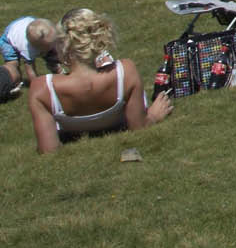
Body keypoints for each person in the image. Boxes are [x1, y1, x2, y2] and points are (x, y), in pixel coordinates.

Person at [27, 9, 173, 153]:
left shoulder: (42, 89)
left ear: (62, 44)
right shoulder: (125, 72)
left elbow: (48, 150)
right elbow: (138, 127)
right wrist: (153, 116)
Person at [1, 16, 63, 101]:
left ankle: (61, 74)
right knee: (13, 63)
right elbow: (30, 70)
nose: (52, 47)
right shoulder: (28, 49)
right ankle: (15, 83)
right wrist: (37, 87)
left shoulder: (46, 30)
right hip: (8, 39)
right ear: (36, 47)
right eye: (49, 46)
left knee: (52, 57)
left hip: (25, 22)